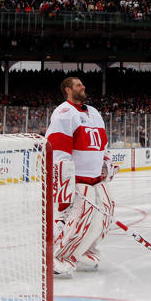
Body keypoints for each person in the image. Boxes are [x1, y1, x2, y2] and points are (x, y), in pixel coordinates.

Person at [46, 77, 116, 278]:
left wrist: (106, 162)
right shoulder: (64, 113)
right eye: (78, 85)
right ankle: (60, 257)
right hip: (78, 178)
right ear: (67, 89)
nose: (83, 87)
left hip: (96, 178)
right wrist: (64, 182)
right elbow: (58, 150)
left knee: (107, 214)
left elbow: (102, 143)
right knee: (82, 219)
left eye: (82, 84)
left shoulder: (93, 112)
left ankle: (85, 249)